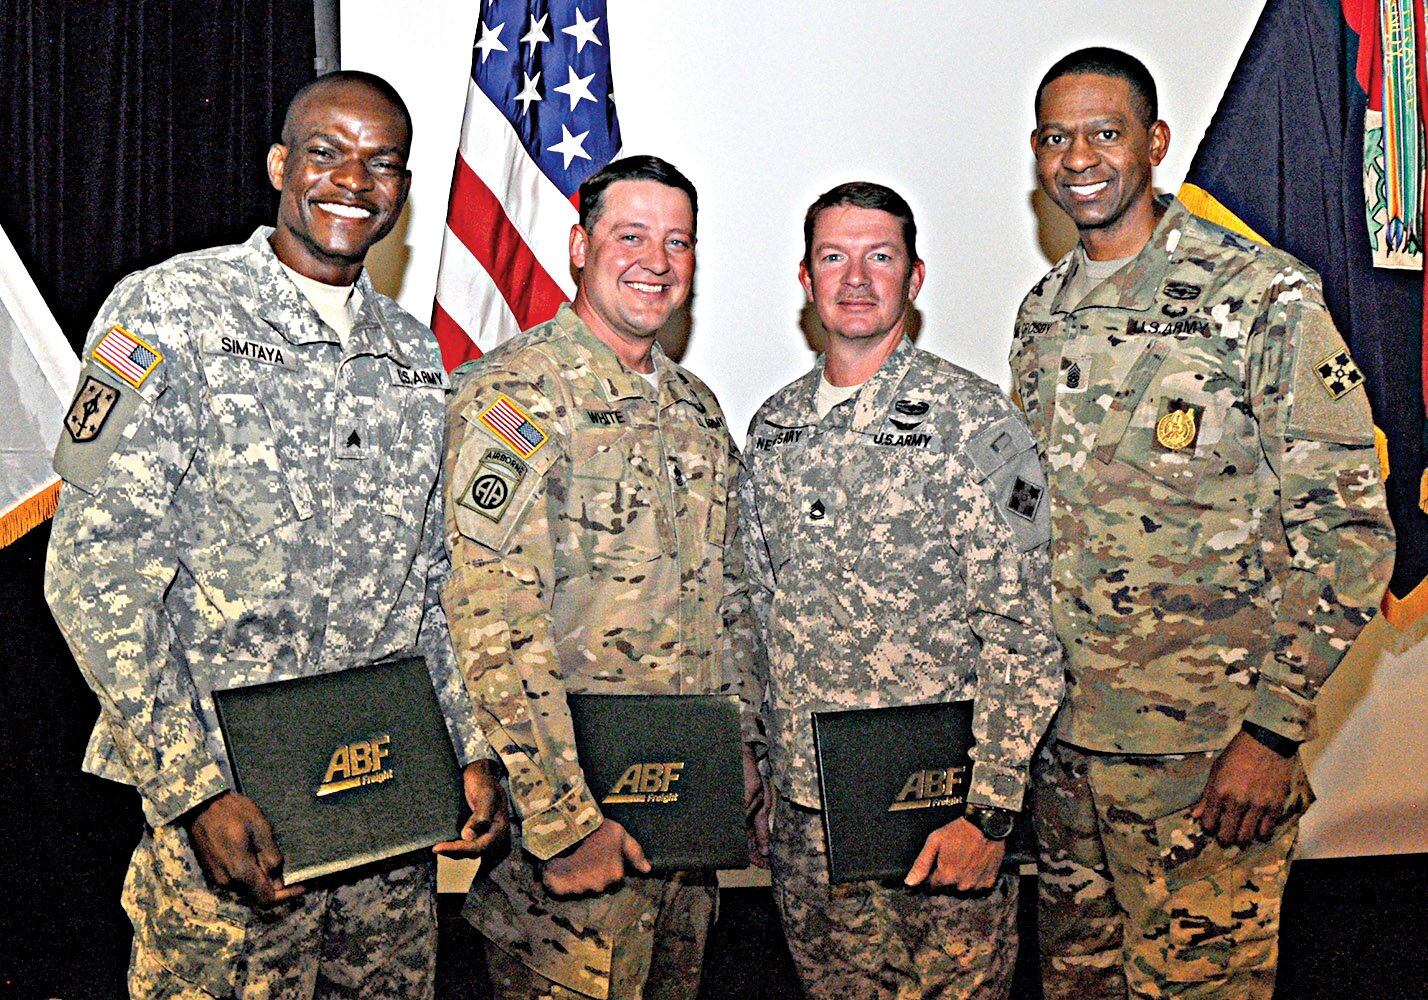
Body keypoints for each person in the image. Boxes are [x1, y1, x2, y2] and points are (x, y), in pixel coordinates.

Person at [44, 71, 507, 999]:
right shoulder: (169, 310)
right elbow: (95, 569)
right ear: (279, 165)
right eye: (327, 153)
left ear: (403, 190)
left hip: (384, 817)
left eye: (381, 163)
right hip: (233, 814)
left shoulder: (416, 356)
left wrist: (466, 744)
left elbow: (428, 582)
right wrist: (193, 790)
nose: (353, 181)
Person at [1012, 47, 1396, 999]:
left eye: (1105, 133)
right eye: (1056, 138)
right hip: (1067, 753)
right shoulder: (1043, 315)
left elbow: (1349, 533)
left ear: (1155, 143)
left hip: (1208, 760)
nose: (1078, 158)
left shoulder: (1260, 295)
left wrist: (1272, 733)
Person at [442, 155, 761, 1000]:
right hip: (570, 861)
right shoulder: (516, 394)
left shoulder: (696, 409)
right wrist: (562, 821)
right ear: (580, 247)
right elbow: (492, 618)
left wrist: (744, 752)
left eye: (678, 242)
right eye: (631, 237)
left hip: (682, 842)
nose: (656, 261)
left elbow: (729, 601)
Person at [736, 181, 1063, 999]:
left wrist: (990, 811)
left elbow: (1025, 629)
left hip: (939, 813)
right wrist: (759, 768)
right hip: (810, 820)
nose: (855, 279)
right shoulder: (773, 430)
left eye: (879, 257)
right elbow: (758, 616)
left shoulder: (976, 422)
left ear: (914, 278)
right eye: (833, 257)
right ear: (806, 279)